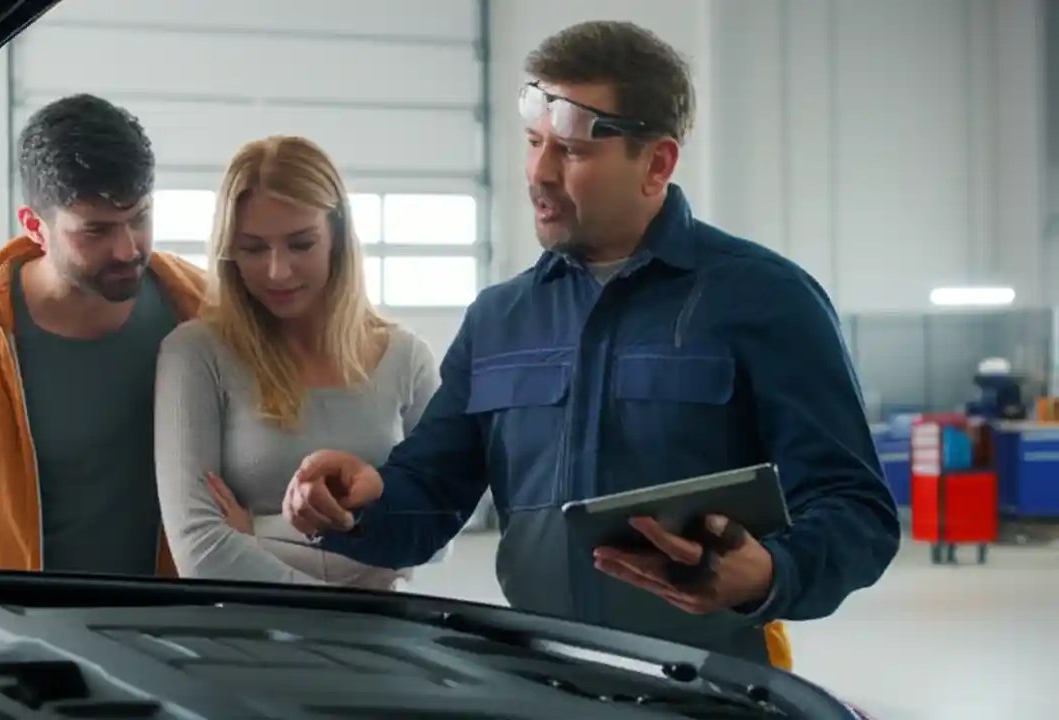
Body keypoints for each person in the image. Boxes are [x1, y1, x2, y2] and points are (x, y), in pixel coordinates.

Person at [281, 20, 900, 668]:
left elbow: (854, 510)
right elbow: (431, 492)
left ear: (656, 163)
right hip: (539, 680)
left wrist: (771, 571)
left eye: (571, 153)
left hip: (706, 685)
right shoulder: (501, 318)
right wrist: (359, 503)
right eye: (532, 142)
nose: (539, 173)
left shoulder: (766, 300)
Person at [0, 94, 209, 575]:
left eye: (139, 218)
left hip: (174, 634)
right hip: (19, 639)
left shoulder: (201, 311)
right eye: (95, 230)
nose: (127, 248)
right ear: (35, 226)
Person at [154, 135, 441, 590]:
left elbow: (436, 530)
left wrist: (261, 533)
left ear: (338, 237)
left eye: (301, 244)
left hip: (380, 646)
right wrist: (357, 593)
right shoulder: (195, 355)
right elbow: (200, 551)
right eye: (252, 248)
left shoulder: (407, 358)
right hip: (253, 644)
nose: (277, 271)